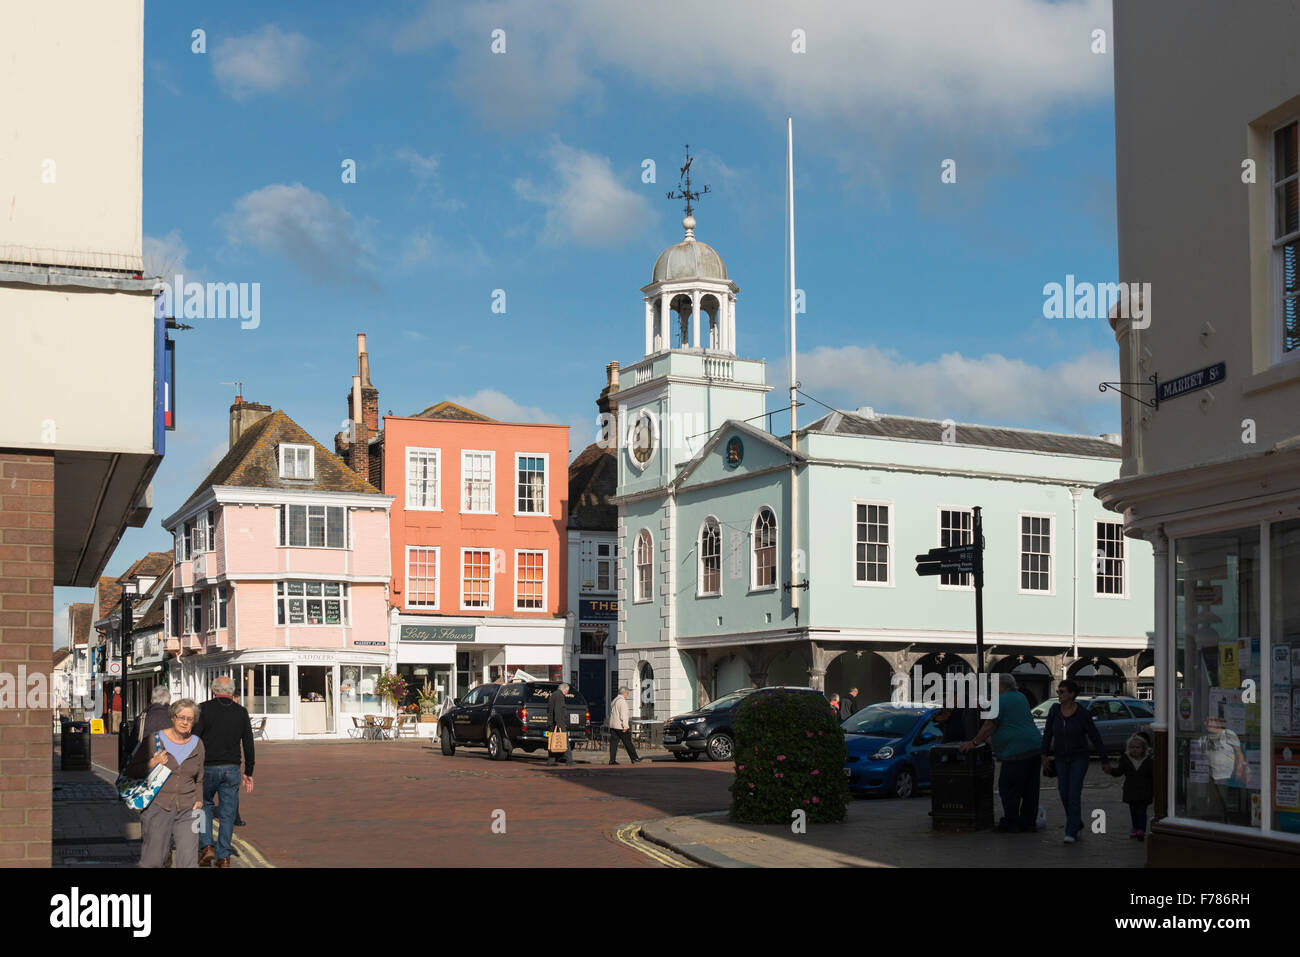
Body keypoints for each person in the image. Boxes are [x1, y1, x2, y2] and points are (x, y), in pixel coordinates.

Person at [124, 698, 205, 868]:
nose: (185, 722)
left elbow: (200, 777)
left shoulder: (198, 744)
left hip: (189, 808)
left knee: (189, 860)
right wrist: (152, 764)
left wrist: (199, 799)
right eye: (181, 717)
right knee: (153, 860)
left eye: (189, 719)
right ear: (173, 717)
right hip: (158, 806)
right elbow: (131, 770)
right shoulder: (154, 740)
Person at [960, 673, 1043, 833]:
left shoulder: (1000, 700)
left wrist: (974, 742)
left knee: (1008, 787)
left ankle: (1011, 822)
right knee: (1030, 789)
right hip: (1034, 747)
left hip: (1016, 750)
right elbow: (1012, 722)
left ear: (1000, 686)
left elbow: (989, 725)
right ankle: (1028, 822)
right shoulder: (1021, 697)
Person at [194, 675, 256, 868]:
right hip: (232, 768)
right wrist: (249, 771)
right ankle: (224, 856)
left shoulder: (203, 709)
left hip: (206, 767)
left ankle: (206, 846)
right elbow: (248, 743)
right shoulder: (241, 712)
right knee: (227, 813)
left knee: (202, 805)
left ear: (213, 690)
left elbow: (194, 738)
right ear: (232, 691)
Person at [1041, 679, 1111, 843]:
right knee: (1063, 793)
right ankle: (1077, 822)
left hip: (1079, 758)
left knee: (1073, 793)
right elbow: (1048, 733)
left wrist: (1104, 760)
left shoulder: (1083, 714)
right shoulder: (1054, 710)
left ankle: (1071, 831)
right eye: (1058, 691)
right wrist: (1043, 754)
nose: (1059, 694)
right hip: (1060, 758)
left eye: (1062, 692)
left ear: (1072, 694)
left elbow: (1095, 737)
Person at [1106, 733, 1155, 839]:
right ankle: (1135, 827)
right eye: (1132, 747)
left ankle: (1141, 830)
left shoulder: (1149, 761)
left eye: (1138, 747)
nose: (1135, 750)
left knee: (1142, 811)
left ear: (1143, 748)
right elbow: (1119, 772)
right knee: (1133, 811)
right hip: (1131, 790)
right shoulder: (1125, 759)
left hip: (1145, 790)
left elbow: (1153, 775)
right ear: (1128, 748)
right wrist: (1110, 770)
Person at [607, 686, 641, 765]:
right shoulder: (622, 702)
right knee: (628, 743)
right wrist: (625, 726)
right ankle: (634, 758)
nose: (627, 695)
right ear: (624, 693)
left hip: (613, 725)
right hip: (620, 726)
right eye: (627, 693)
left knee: (613, 744)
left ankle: (612, 760)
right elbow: (624, 715)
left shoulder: (614, 700)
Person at [546, 682, 574, 767]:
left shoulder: (553, 694)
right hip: (558, 723)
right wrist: (558, 723)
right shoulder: (559, 696)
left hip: (552, 722)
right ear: (564, 690)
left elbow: (549, 709)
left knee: (553, 741)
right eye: (567, 691)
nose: (567, 693)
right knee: (565, 742)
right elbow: (558, 710)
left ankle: (551, 761)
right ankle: (569, 761)